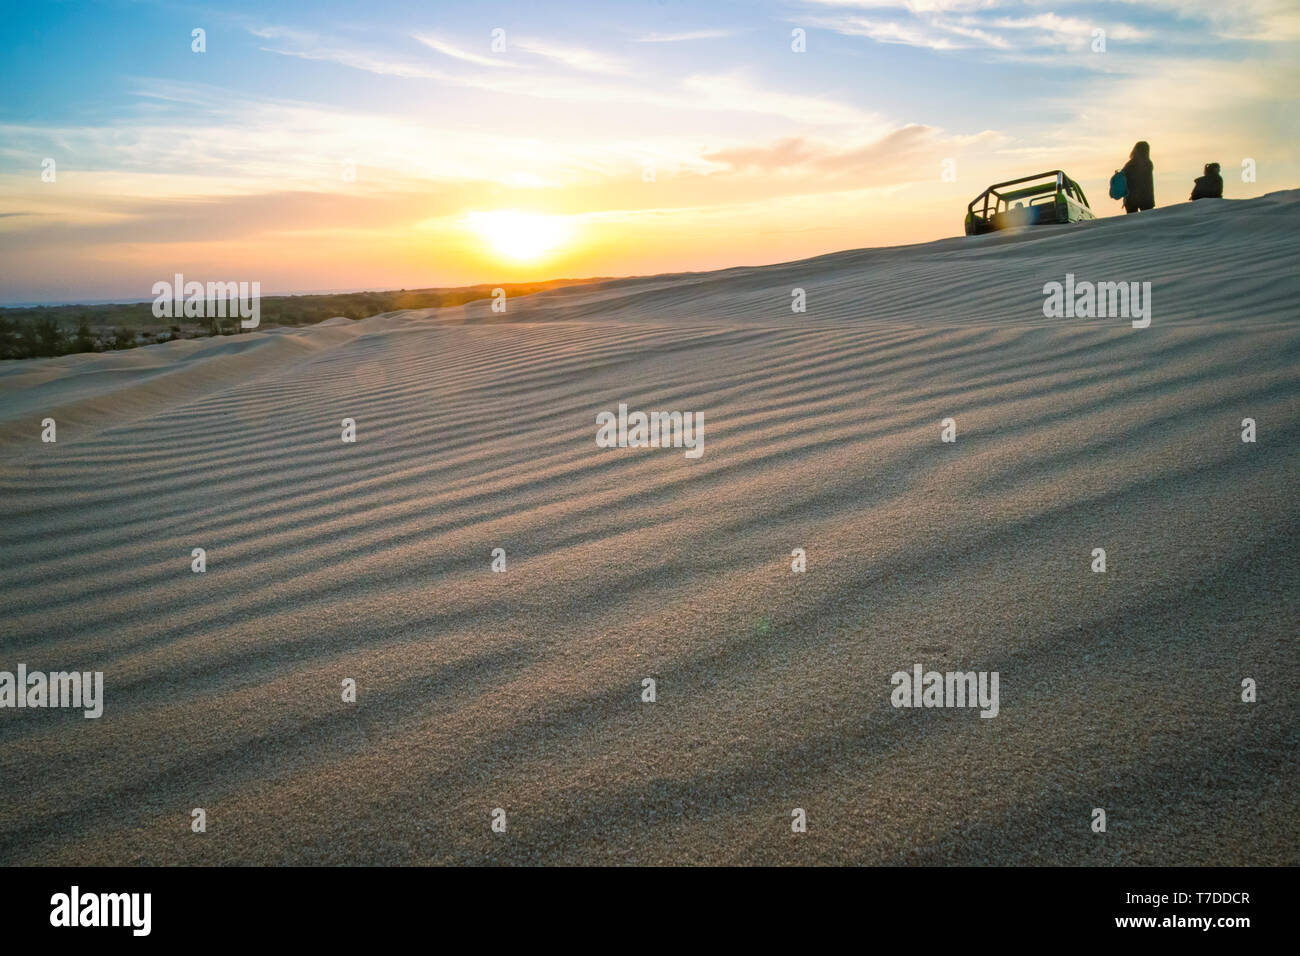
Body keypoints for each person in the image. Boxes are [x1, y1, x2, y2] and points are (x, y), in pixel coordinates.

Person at [1121, 141, 1154, 214]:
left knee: (1133, 222)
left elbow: (1123, 176)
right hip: (1146, 198)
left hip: (1131, 198)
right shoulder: (1148, 163)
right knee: (1148, 221)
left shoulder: (1130, 164)